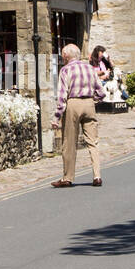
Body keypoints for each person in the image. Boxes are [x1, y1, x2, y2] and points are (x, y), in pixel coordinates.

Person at [51, 43, 105, 188]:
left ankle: (67, 178)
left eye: (63, 54)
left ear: (67, 56)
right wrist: (93, 101)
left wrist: (56, 117)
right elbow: (101, 92)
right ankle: (97, 176)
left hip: (73, 104)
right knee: (93, 142)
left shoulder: (65, 70)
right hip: (89, 103)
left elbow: (62, 97)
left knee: (69, 142)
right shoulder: (89, 68)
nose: (62, 57)